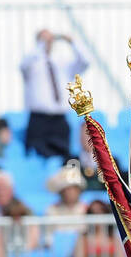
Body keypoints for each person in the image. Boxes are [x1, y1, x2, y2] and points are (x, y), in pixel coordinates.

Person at [19, 30, 89, 160]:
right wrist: (41, 45)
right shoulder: (33, 63)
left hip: (59, 119)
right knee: (36, 157)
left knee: (64, 158)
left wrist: (72, 42)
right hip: (38, 120)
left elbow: (85, 62)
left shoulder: (62, 64)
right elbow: (24, 65)